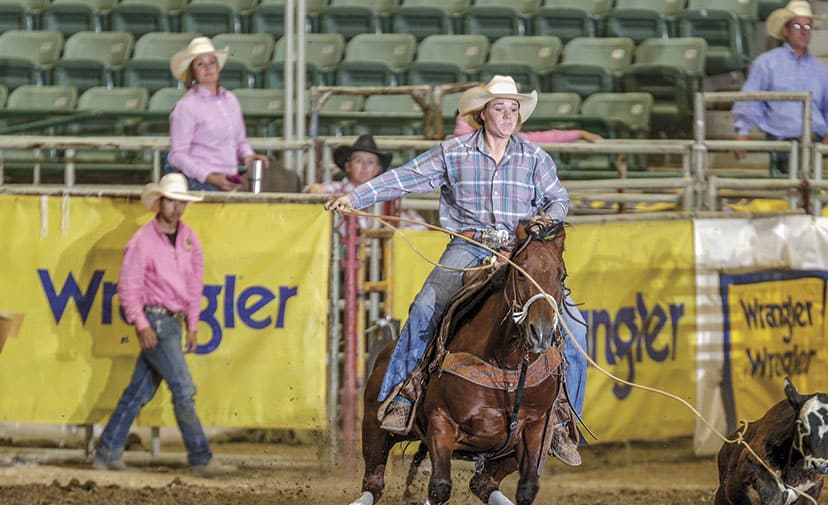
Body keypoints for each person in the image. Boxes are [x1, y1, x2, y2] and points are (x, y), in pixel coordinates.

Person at [325, 75, 588, 466]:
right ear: (483, 114)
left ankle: (562, 420)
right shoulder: (453, 153)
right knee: (426, 307)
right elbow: (405, 177)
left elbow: (559, 198)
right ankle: (403, 393)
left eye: (514, 108)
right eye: (501, 108)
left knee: (576, 327)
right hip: (470, 246)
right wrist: (356, 196)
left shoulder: (534, 158)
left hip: (520, 251)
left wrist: (545, 219)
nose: (508, 115)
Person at [94, 173, 228, 477]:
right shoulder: (143, 241)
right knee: (182, 389)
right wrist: (141, 324)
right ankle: (200, 457)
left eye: (181, 202)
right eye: (172, 201)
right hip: (156, 319)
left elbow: (195, 284)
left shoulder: (189, 238)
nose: (177, 207)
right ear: (160, 202)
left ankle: (107, 450)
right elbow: (129, 286)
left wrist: (192, 323)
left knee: (139, 391)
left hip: (171, 321)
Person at [732, 0, 828, 175]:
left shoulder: (822, 70)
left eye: (808, 27)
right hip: (782, 138)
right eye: (798, 26)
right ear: (786, 30)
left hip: (816, 141)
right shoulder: (766, 64)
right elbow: (750, 99)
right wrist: (743, 131)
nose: (804, 32)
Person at [167, 36, 270, 192]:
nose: (208, 68)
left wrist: (248, 156)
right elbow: (177, 155)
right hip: (201, 182)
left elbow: (240, 141)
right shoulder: (186, 106)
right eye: (201, 64)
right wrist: (209, 177)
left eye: (212, 62)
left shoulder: (231, 100)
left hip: (228, 179)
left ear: (217, 66)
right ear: (193, 72)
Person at [452, 111, 603, 143]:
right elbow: (462, 130)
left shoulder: (517, 140)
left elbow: (548, 136)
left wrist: (578, 133)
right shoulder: (470, 138)